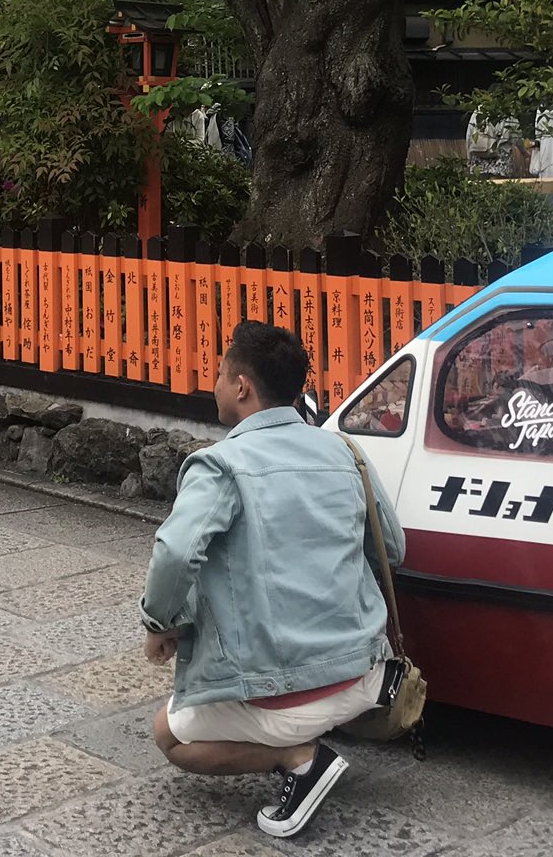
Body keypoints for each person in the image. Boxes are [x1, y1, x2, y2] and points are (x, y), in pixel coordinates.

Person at [142, 320, 404, 839]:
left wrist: (158, 623)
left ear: (241, 386)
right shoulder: (345, 452)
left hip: (281, 693)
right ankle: (308, 733)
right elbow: (392, 548)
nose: (215, 384)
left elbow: (174, 554)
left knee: (168, 735)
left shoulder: (221, 465)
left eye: (220, 374)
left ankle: (299, 758)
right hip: (365, 677)